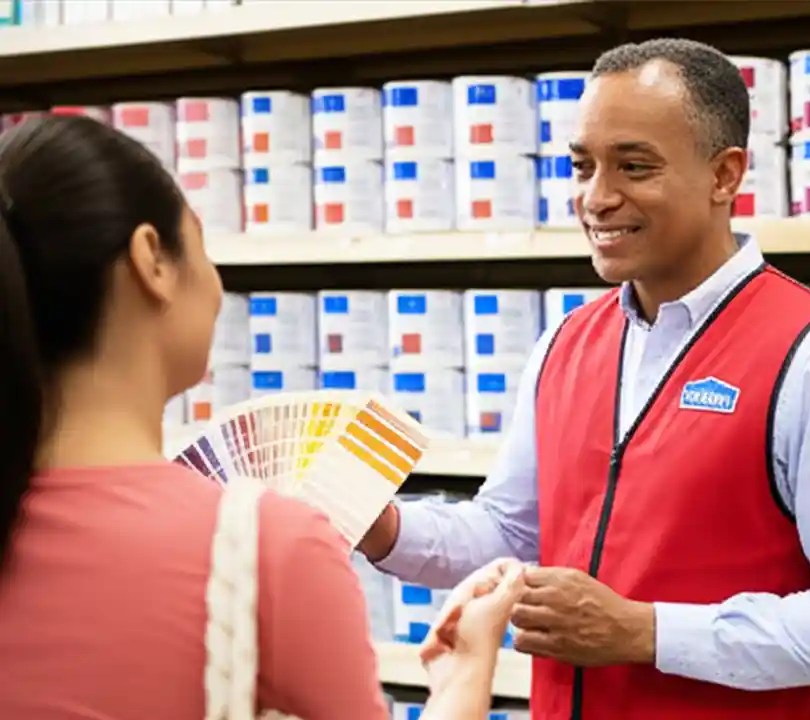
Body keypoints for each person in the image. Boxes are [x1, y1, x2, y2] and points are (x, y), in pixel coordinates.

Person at [360, 38, 810, 719]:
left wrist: (644, 632)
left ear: (725, 176)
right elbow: (510, 534)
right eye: (582, 166)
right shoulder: (564, 345)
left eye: (634, 166)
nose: (597, 198)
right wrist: (381, 526)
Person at [0, 115, 511, 720]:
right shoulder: (264, 549)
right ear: (151, 262)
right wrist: (465, 677)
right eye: (202, 243)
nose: (216, 284)